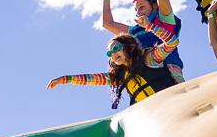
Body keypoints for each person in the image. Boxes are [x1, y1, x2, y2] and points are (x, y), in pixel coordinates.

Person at [48, 32, 179, 109]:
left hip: (172, 106)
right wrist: (65, 79)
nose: (113, 54)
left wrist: (151, 26)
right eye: (109, 53)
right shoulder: (120, 76)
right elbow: (92, 79)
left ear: (130, 47)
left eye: (116, 48)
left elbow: (172, 42)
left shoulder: (149, 58)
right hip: (151, 114)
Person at [100, 0, 184, 80]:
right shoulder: (134, 31)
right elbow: (108, 24)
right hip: (146, 73)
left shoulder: (164, 19)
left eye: (142, 7)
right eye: (136, 10)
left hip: (170, 68)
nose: (138, 12)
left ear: (155, 5)